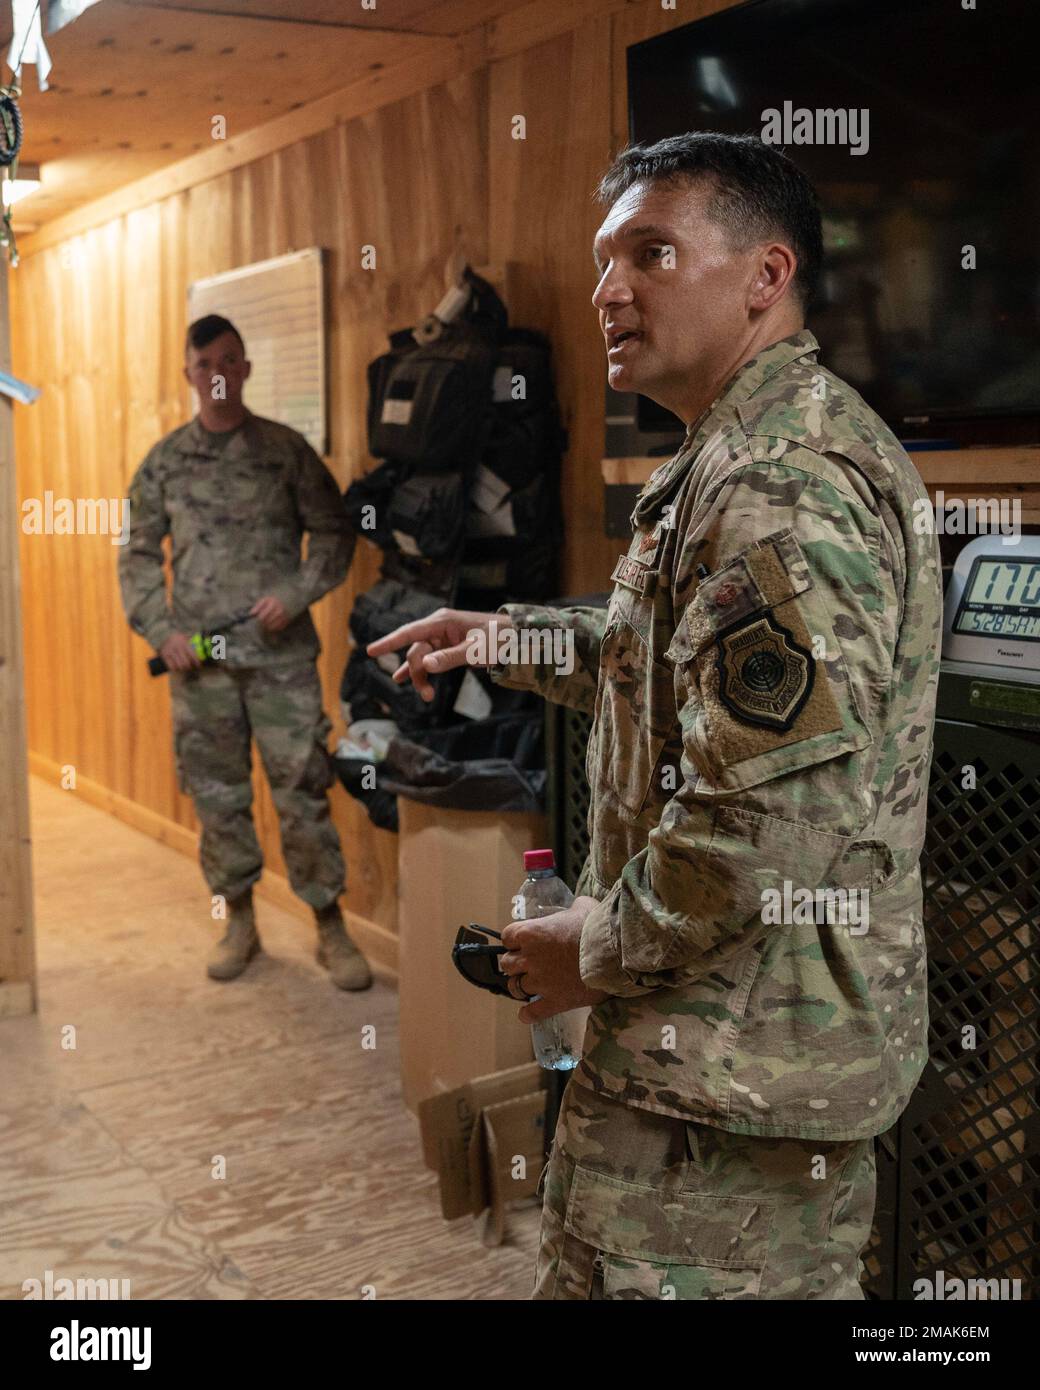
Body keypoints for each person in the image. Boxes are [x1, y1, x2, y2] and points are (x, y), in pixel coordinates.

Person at [370, 133, 944, 1298]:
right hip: (705, 1050)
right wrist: (503, 634)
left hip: (740, 1081)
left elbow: (760, 829)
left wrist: (588, 946)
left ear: (763, 276)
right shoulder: (732, 457)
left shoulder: (780, 486)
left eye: (651, 251)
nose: (607, 289)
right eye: (601, 259)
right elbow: (659, 662)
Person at [119, 314, 370, 991]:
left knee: (302, 790)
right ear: (190, 375)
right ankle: (239, 921)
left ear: (246, 368)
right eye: (206, 364)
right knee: (217, 796)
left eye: (230, 361)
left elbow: (334, 535)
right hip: (199, 661)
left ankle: (329, 925)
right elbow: (137, 553)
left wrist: (296, 593)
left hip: (280, 657)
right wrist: (160, 630)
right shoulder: (164, 462)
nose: (218, 375)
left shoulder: (285, 452)